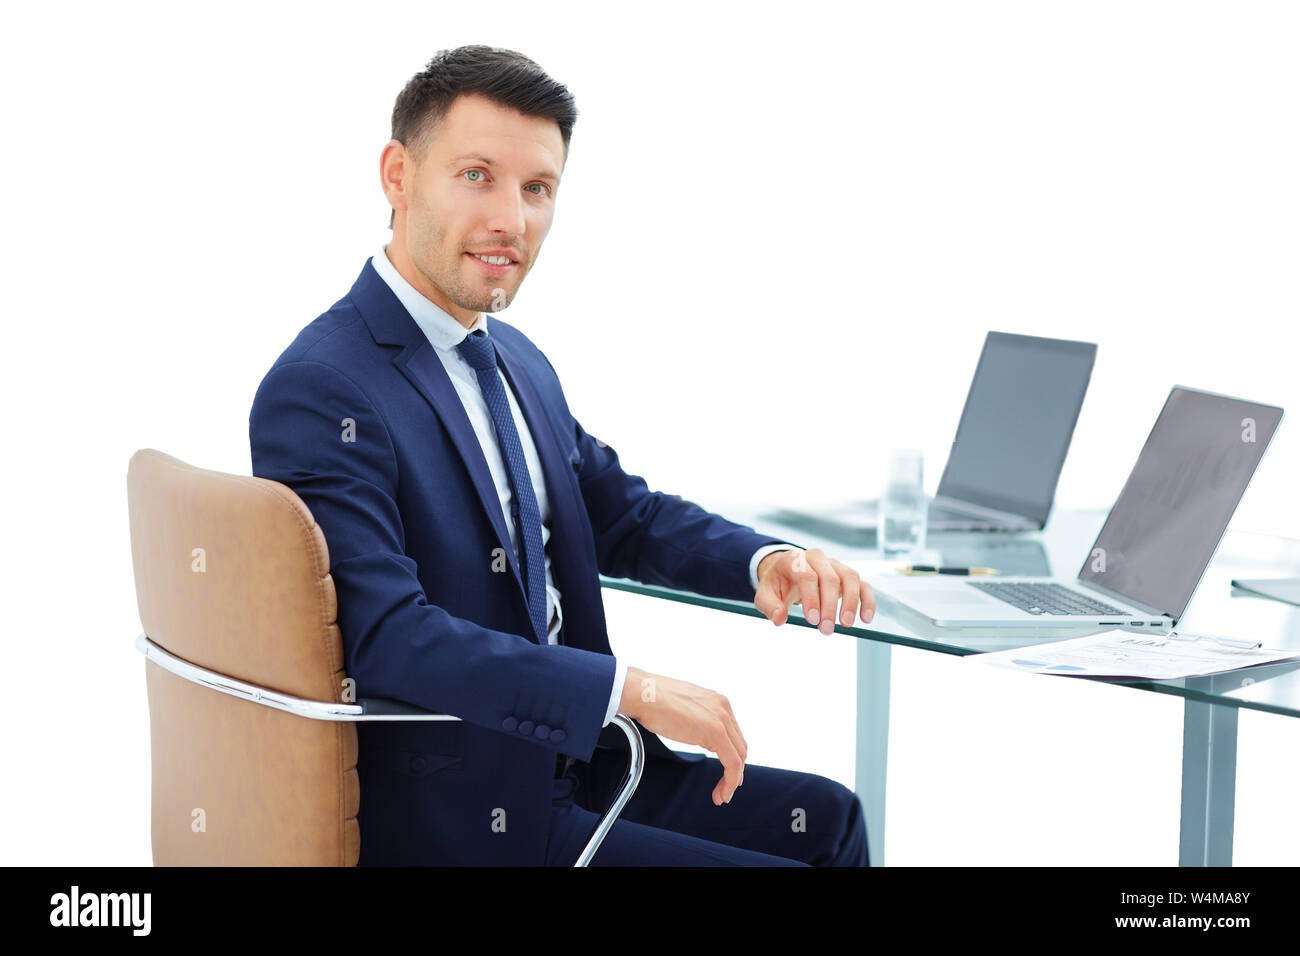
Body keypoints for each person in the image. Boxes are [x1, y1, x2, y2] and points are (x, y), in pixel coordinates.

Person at [249, 44, 873, 866]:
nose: (512, 218)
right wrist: (630, 691)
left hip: (578, 762)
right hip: (470, 807)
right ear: (397, 175)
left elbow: (623, 515)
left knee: (829, 820)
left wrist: (764, 559)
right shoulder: (325, 387)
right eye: (477, 174)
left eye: (537, 188)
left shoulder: (510, 357)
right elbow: (390, 637)